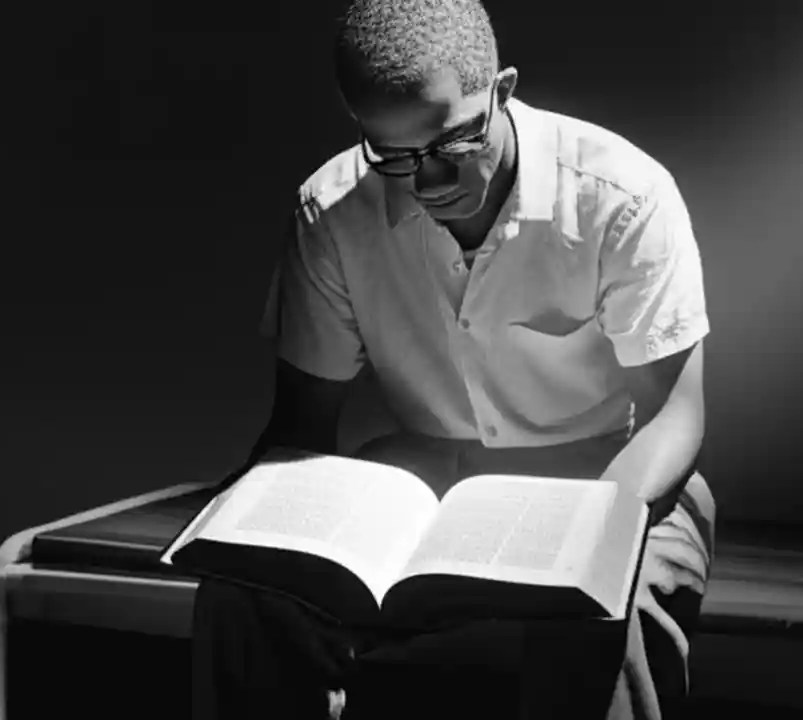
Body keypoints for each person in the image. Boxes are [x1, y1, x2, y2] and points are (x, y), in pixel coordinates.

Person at [190, 1, 715, 718]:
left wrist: (587, 532)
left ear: (502, 89)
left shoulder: (621, 196)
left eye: (452, 145)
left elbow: (673, 419)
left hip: (615, 472)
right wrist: (258, 537)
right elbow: (301, 428)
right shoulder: (333, 211)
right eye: (395, 156)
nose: (429, 181)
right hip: (424, 476)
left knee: (602, 609)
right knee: (247, 593)